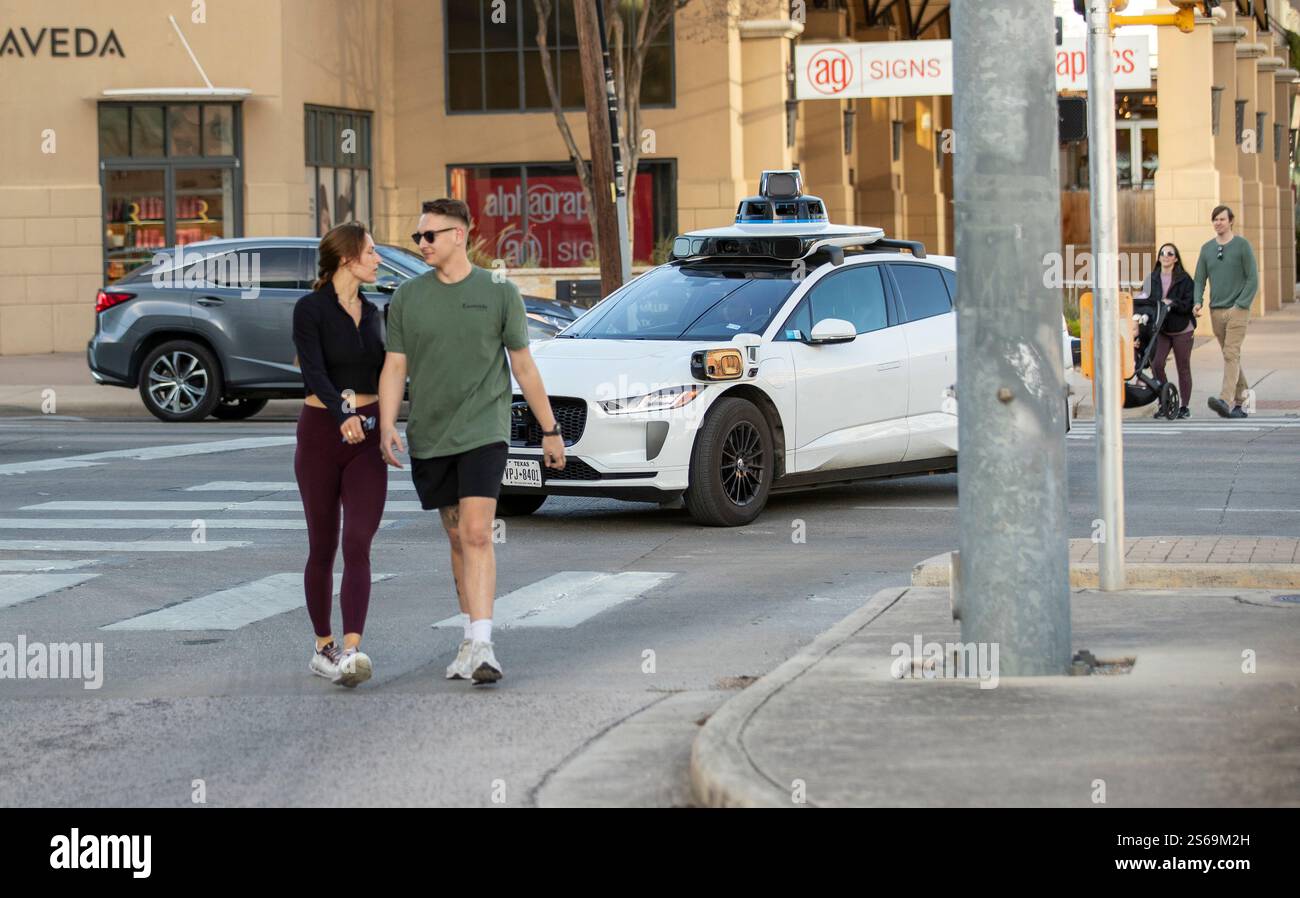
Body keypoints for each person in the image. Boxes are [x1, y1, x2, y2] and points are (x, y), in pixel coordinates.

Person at [377, 199, 566, 685]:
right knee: (457, 535)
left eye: (430, 236)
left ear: (459, 235)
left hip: (485, 430)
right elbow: (395, 366)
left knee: (479, 531)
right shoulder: (407, 298)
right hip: (431, 433)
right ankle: (468, 637)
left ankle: (483, 644)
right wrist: (385, 425)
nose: (421, 244)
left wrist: (550, 430)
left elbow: (523, 365)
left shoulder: (499, 291)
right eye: (418, 237)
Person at [292, 222, 387, 687]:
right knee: (323, 546)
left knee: (358, 543)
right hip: (320, 437)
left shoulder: (373, 313)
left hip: (367, 439)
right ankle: (323, 646)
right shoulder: (309, 310)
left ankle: (351, 651)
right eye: (371, 252)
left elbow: (388, 374)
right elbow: (313, 371)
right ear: (347, 258)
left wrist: (387, 425)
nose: (377, 259)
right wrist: (341, 411)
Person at [1192, 205, 1258, 418]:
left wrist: (1241, 304)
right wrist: (1197, 301)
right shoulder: (1207, 249)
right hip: (1216, 311)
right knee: (1231, 357)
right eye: (1215, 220)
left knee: (1231, 353)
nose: (1218, 223)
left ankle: (1225, 399)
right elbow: (1200, 278)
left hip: (1238, 310)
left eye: (1221, 219)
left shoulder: (1242, 246)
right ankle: (1244, 401)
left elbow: (1252, 278)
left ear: (1231, 221)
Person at [1145, 243, 1196, 419]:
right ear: (1159, 257)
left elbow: (1188, 304)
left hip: (1182, 328)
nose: (1165, 256)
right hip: (1162, 328)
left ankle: (1184, 406)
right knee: (1157, 364)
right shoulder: (1151, 279)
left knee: (1183, 367)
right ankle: (1165, 401)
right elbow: (1147, 301)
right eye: (1162, 253)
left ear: (1175, 258)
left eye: (1170, 253)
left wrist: (1172, 303)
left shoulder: (1185, 279)